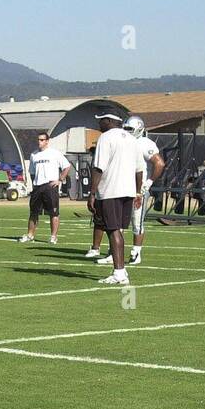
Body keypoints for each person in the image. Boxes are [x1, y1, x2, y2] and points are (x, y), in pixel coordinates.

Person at [88, 112, 143, 284]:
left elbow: (98, 167)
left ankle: (119, 272)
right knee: (118, 230)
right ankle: (120, 270)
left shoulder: (105, 138)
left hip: (110, 190)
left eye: (101, 120)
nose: (99, 124)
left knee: (112, 230)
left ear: (110, 121)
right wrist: (138, 192)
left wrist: (92, 193)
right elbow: (139, 170)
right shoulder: (132, 140)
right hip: (129, 191)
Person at [114, 115, 163, 266]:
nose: (126, 131)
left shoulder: (144, 143)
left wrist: (148, 182)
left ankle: (136, 252)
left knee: (136, 222)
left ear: (139, 129)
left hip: (138, 189)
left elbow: (159, 163)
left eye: (130, 128)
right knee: (118, 222)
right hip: (122, 187)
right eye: (125, 128)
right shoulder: (122, 141)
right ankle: (114, 252)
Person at [19, 131, 71, 244]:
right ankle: (30, 235)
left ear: (47, 141)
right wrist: (34, 184)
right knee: (33, 212)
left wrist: (60, 180)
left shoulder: (54, 153)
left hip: (50, 186)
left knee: (53, 213)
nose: (39, 142)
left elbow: (67, 166)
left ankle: (53, 237)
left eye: (42, 140)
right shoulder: (34, 155)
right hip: (37, 187)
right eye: (38, 140)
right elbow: (32, 172)